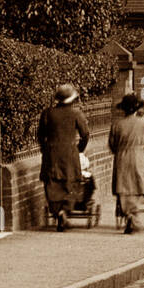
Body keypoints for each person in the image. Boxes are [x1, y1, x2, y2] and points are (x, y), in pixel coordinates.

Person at [108, 92, 144, 234]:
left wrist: (119, 151)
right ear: (137, 108)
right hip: (139, 158)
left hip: (122, 159)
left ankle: (129, 215)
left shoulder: (117, 124)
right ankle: (133, 215)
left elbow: (112, 144)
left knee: (124, 189)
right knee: (138, 187)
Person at [37, 83, 89, 232]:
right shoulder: (76, 114)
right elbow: (85, 134)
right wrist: (79, 149)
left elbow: (41, 135)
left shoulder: (47, 113)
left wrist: (45, 149)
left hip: (51, 153)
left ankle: (57, 211)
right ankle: (65, 210)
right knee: (71, 182)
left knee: (51, 183)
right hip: (70, 153)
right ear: (72, 99)